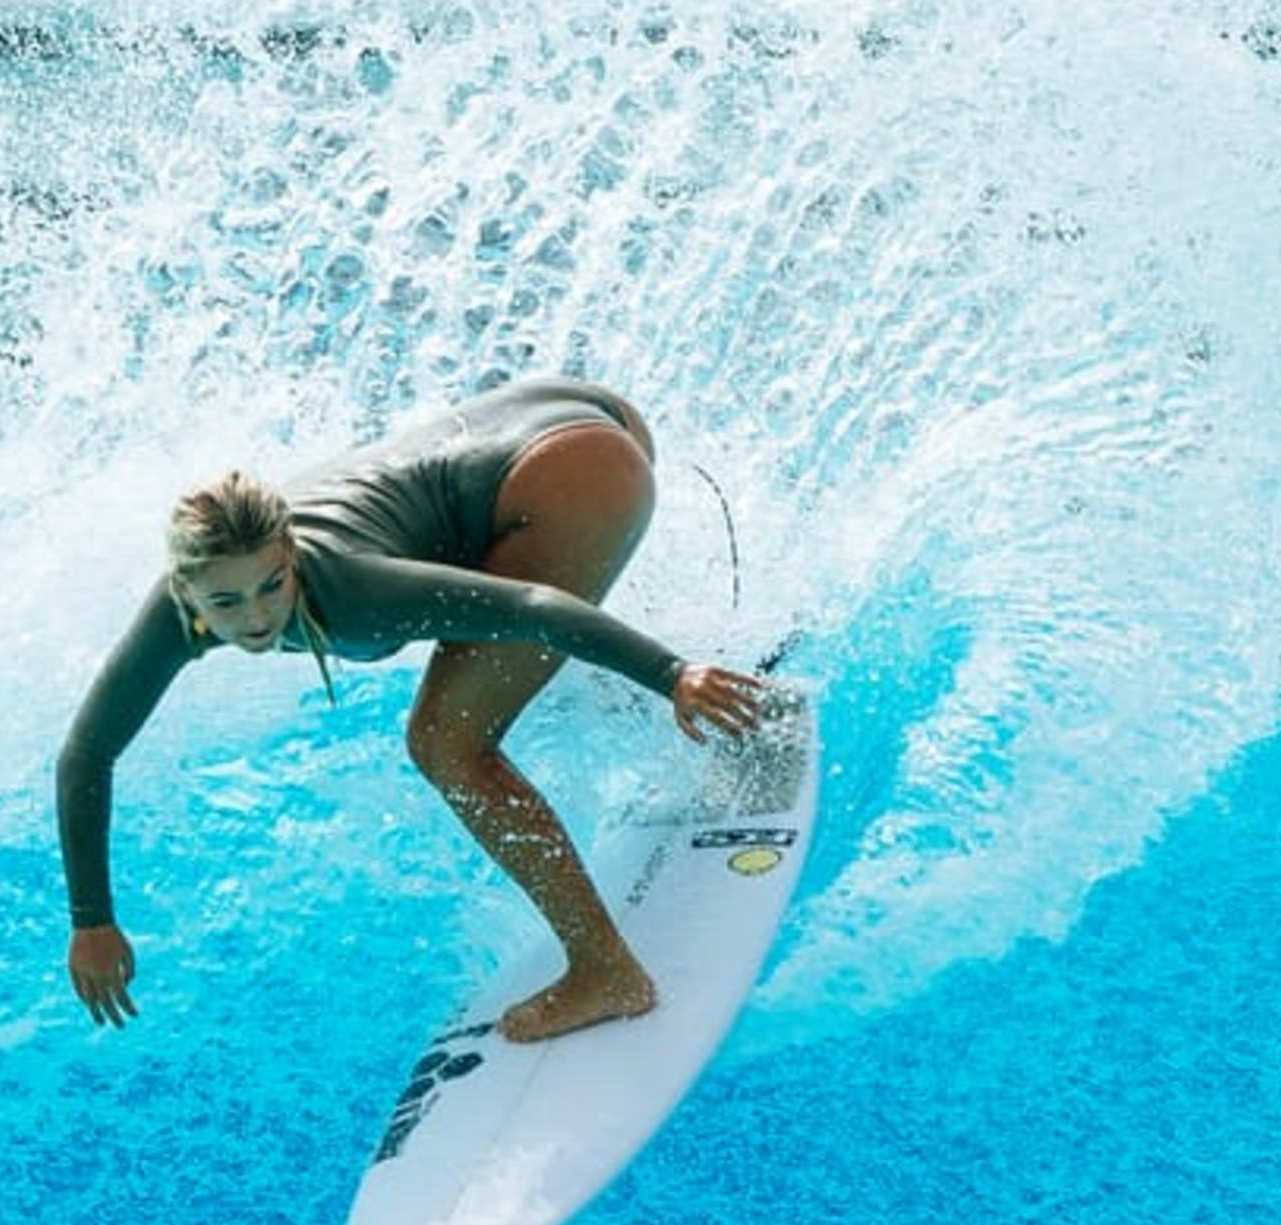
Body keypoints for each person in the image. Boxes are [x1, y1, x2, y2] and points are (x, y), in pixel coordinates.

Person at [56, 374, 776, 1045]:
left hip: (576, 480)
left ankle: (606, 969)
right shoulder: (181, 610)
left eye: (273, 584)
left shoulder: (348, 585)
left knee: (446, 739)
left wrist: (669, 672)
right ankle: (712, 707)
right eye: (225, 602)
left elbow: (531, 606)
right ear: (185, 594)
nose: (255, 615)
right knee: (500, 674)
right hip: (576, 420)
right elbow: (87, 753)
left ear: (289, 551)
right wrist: (92, 920)